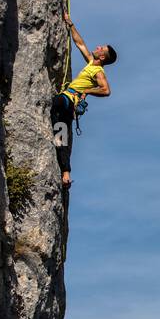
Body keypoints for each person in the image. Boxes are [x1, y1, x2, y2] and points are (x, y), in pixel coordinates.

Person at [51, 13, 117, 188]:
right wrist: (71, 24)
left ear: (102, 57)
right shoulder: (91, 63)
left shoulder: (98, 72)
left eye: (100, 48)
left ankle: (65, 171)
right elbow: (79, 43)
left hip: (68, 100)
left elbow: (106, 90)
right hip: (68, 103)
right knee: (60, 137)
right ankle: (66, 173)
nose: (97, 47)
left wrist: (86, 91)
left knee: (54, 103)